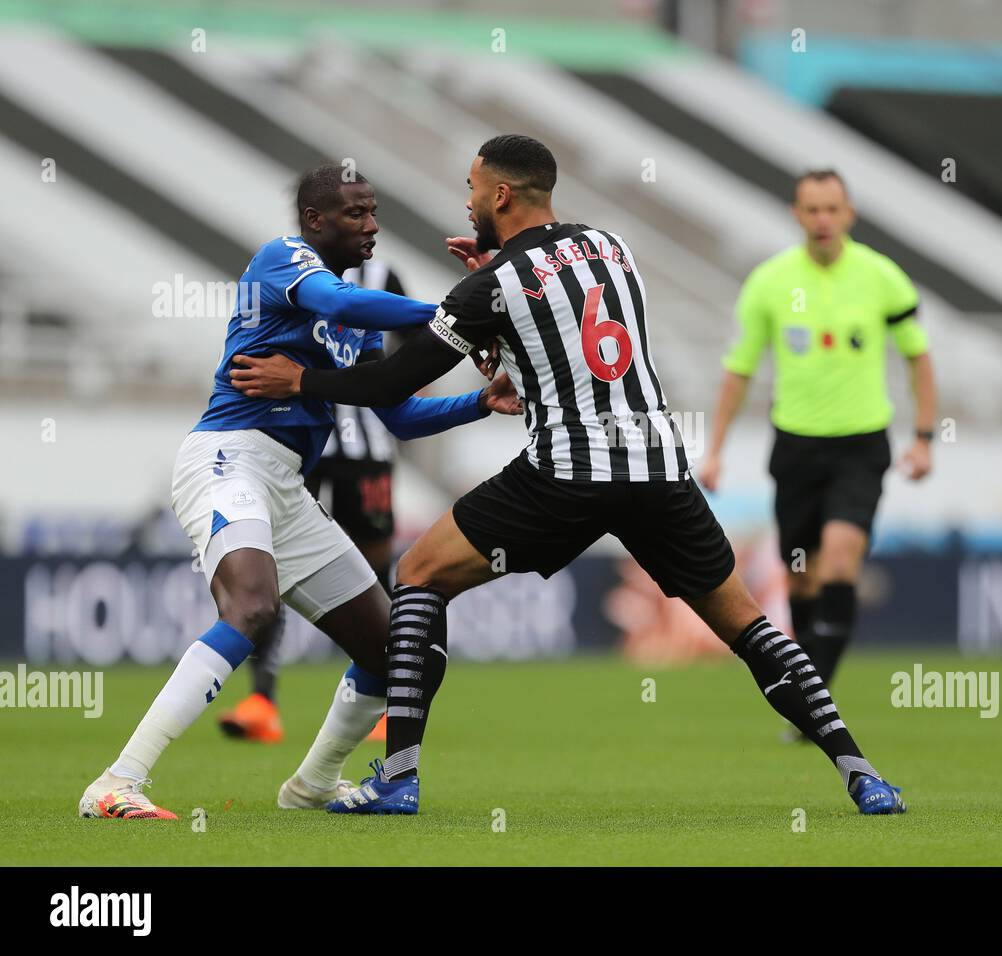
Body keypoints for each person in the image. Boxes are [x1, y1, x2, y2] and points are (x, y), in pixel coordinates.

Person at [230, 136, 907, 816]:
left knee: (417, 577)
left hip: (564, 473)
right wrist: (489, 281)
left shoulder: (488, 287)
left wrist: (302, 377)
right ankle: (862, 774)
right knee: (751, 630)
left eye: (472, 188)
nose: (466, 202)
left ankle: (398, 778)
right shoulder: (613, 247)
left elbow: (391, 381)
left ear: (499, 194)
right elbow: (557, 312)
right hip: (657, 471)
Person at [78, 165, 520, 820]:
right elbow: (339, 305)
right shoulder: (283, 259)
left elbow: (395, 415)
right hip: (227, 459)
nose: (371, 226)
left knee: (392, 650)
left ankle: (312, 785)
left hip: (282, 484)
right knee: (251, 609)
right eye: (354, 214)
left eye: (373, 212)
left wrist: (479, 403)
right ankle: (116, 782)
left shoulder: (360, 326)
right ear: (315, 220)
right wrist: (452, 313)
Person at [698, 170, 936, 725]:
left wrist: (924, 437)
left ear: (849, 213)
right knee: (801, 575)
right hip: (796, 447)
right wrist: (715, 450)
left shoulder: (883, 278)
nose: (823, 220)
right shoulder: (770, 283)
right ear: (797, 215)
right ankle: (814, 693)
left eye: (832, 208)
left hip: (861, 445)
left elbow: (918, 358)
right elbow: (738, 371)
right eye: (812, 210)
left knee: (839, 561)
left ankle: (812, 703)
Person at [216, 260, 412, 746]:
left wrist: (397, 386)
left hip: (367, 449)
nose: (364, 226)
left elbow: (415, 338)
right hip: (302, 442)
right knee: (270, 567)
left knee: (374, 570)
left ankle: (388, 700)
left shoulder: (384, 276)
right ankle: (262, 701)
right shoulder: (289, 272)